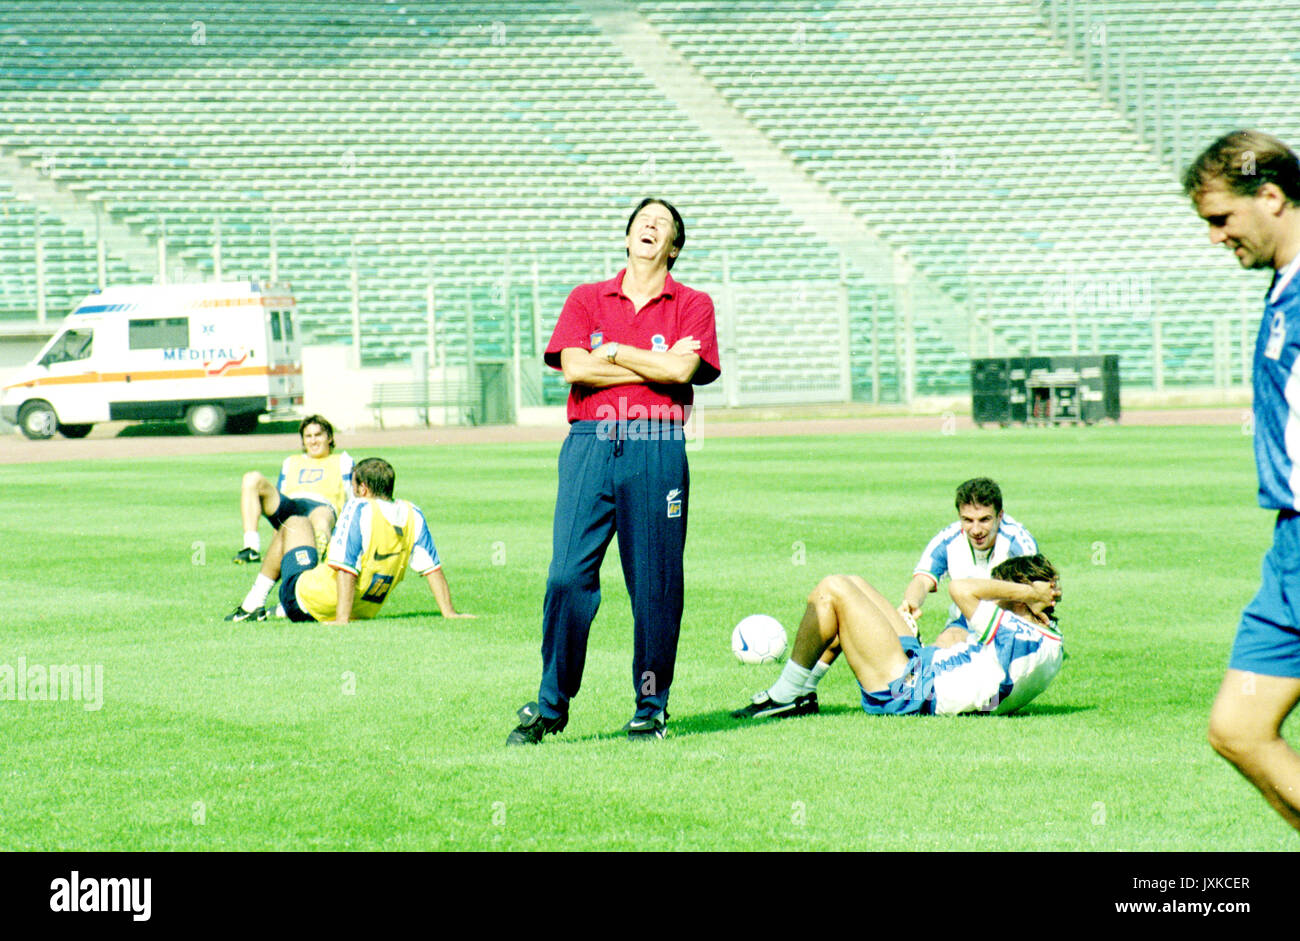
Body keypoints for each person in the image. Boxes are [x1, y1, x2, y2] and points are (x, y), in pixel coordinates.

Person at [506, 197, 721, 745]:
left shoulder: (693, 304)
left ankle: (650, 705)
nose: (649, 226)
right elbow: (573, 366)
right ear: (627, 238)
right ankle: (552, 703)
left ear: (673, 247)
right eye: (641, 221)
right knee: (566, 574)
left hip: (657, 445)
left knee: (654, 584)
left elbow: (682, 370)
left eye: (662, 224)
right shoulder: (586, 297)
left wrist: (615, 350)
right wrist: (649, 362)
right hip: (590, 445)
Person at [1185, 129, 1300, 832]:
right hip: (1290, 544)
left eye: (1221, 219)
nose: (1214, 238)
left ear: (1271, 195)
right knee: (1237, 727)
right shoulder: (1283, 289)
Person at [731, 554, 1063, 720]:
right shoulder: (1049, 640)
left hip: (908, 688)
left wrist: (1026, 591)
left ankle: (785, 695)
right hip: (926, 670)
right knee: (856, 584)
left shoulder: (1013, 630)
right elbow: (980, 671)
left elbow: (959, 588)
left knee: (834, 588)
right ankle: (804, 693)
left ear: (1019, 599)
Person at [803, 477, 1038, 699]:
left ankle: (910, 688)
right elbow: (922, 581)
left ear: (1000, 516)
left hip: (1006, 624)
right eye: (968, 520)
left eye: (985, 519)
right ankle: (805, 689)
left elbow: (1037, 592)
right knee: (945, 643)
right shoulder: (948, 539)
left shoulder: (1019, 541)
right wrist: (911, 603)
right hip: (963, 623)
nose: (976, 529)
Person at [223, 457, 472, 624]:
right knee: (309, 542)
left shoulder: (359, 508)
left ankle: (252, 605)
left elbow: (345, 570)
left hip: (305, 601)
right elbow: (433, 569)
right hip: (362, 611)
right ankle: (272, 610)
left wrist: (341, 622)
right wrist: (449, 613)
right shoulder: (412, 513)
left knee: (295, 523)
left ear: (362, 488)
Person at [232, 414, 353, 564]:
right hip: (292, 505)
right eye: (308, 436)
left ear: (329, 438)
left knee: (321, 519)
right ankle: (251, 547)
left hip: (322, 505)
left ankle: (318, 549)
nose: (313, 440)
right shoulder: (291, 462)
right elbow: (280, 497)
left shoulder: (343, 461)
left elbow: (353, 499)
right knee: (251, 478)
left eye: (318, 435)